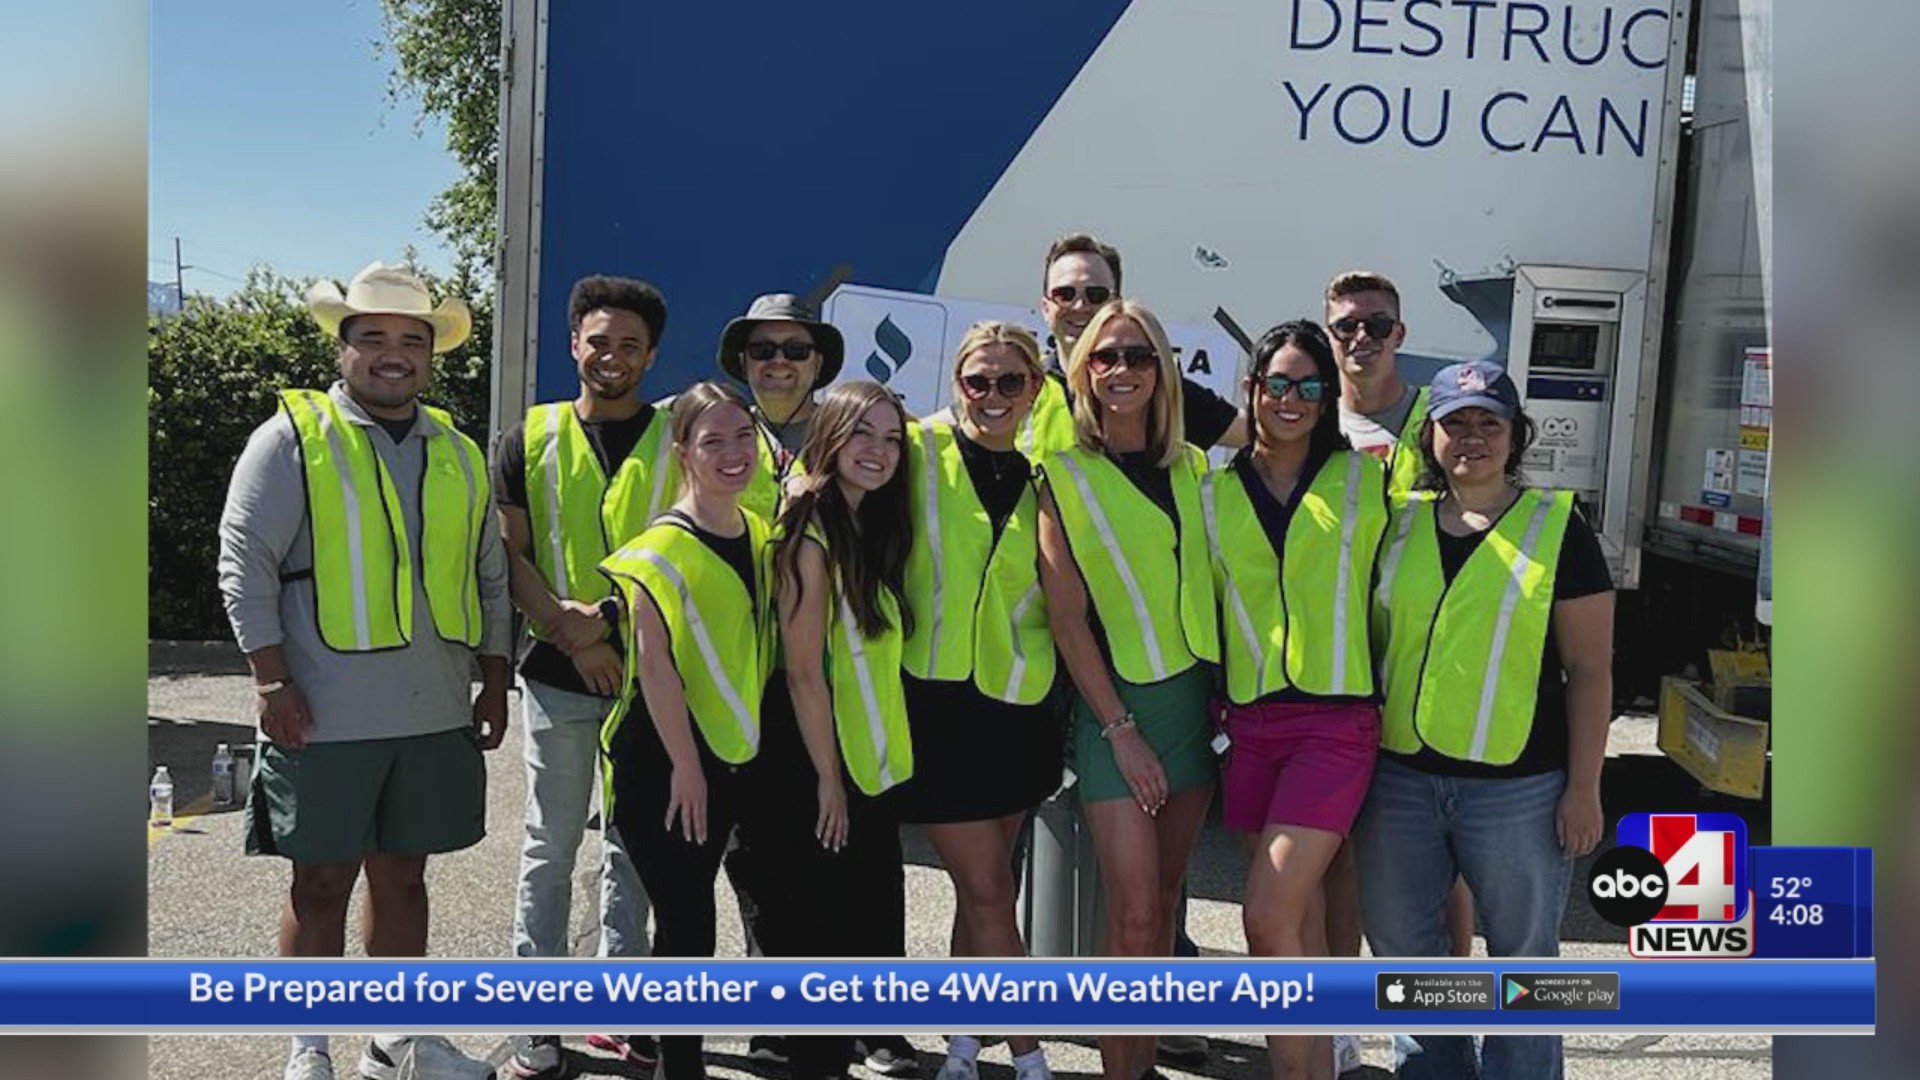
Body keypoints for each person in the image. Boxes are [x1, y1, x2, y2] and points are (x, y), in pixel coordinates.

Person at [217, 262, 506, 1080]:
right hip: (325, 713)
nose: (393, 354)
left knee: (405, 877)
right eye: (372, 337)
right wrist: (271, 681)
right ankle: (307, 1048)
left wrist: (492, 674)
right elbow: (245, 563)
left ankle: (396, 1042)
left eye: (411, 341)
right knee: (319, 884)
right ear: (342, 348)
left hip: (431, 709)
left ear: (429, 356)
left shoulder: (456, 450)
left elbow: (488, 568)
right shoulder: (289, 441)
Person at [1354, 361, 1612, 1080]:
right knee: (1405, 954)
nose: (1471, 437)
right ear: (1430, 435)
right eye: (1455, 422)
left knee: (1524, 962)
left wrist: (1584, 788)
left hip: (1518, 789)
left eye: (1488, 422)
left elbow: (1590, 669)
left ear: (1514, 435)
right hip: (1402, 780)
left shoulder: (1559, 527)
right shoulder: (1396, 523)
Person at [1036, 300, 1220, 1080]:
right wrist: (1119, 729)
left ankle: (1140, 1059)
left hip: (1195, 711)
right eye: (1105, 358)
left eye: (1138, 357)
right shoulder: (1061, 477)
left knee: (1168, 897)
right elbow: (1069, 621)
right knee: (1135, 909)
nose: (1121, 371)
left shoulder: (1199, 467)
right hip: (1119, 718)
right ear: (1082, 372)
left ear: (1163, 371)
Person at [491, 275, 669, 1078]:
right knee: (550, 843)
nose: (613, 357)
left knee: (636, 849)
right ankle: (537, 1013)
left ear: (651, 355)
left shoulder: (681, 434)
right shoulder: (526, 437)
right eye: (600, 341)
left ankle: (622, 1010)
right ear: (574, 344)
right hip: (559, 672)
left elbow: (692, 547)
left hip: (655, 676)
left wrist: (616, 626)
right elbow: (511, 553)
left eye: (631, 345)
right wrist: (571, 631)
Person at [1201, 321, 1389, 1080]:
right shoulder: (1211, 493)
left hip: (1335, 725)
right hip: (1247, 727)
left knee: (1266, 916)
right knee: (1298, 925)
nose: (1291, 399)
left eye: (1309, 386)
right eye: (1276, 383)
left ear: (1328, 397)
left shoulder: (1369, 481)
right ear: (1251, 390)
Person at [894, 323, 1061, 1080]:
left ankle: (963, 1044)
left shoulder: (1045, 477)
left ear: (1035, 390)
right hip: (936, 706)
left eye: (1011, 382)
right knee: (992, 888)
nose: (993, 397)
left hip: (1020, 706)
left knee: (980, 896)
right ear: (956, 384)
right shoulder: (915, 452)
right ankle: (1028, 1052)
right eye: (978, 381)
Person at [598, 382, 776, 1080]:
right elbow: (656, 666)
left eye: (743, 437)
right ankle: (680, 1064)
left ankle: (652, 1040)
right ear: (683, 452)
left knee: (688, 919)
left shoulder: (758, 533)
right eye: (713, 441)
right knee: (687, 921)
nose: (733, 454)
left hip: (729, 754)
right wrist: (688, 769)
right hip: (662, 761)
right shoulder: (658, 550)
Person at [1321, 273, 1464, 1079]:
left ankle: (1446, 1038)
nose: (1360, 338)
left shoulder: (1435, 423)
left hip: (1422, 679)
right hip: (1339, 682)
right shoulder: (1307, 416)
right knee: (1338, 862)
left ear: (1401, 333)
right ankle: (1343, 1040)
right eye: (1345, 325)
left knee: (1442, 873)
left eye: (1376, 324)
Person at [763, 381, 920, 1080]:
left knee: (869, 914)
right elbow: (802, 673)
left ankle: (860, 1040)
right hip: (817, 767)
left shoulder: (869, 528)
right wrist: (828, 781)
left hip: (868, 763)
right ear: (829, 436)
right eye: (862, 434)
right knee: (819, 929)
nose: (878, 451)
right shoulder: (811, 536)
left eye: (891, 438)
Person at [1020, 233, 1246, 458]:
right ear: (1045, 307)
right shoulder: (1017, 389)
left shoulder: (1156, 389)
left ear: (1115, 304)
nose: (1080, 305)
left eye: (1096, 294)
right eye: (1064, 294)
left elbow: (1257, 433)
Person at [716, 293, 847, 520]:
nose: (778, 360)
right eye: (761, 350)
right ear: (743, 362)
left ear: (818, 363)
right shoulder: (714, 436)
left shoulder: (849, 433)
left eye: (796, 350)